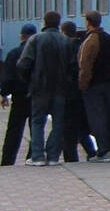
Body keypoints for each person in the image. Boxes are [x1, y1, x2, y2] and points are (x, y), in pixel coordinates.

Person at [17, 10, 77, 166]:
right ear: (58, 23)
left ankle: (37, 156)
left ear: (44, 22)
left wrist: (29, 80)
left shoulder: (35, 40)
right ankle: (53, 156)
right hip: (60, 89)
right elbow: (74, 67)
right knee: (58, 123)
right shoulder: (66, 42)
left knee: (37, 121)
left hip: (39, 88)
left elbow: (23, 64)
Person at [78, 10, 110, 161]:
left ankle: (104, 151)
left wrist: (83, 85)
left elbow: (85, 66)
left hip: (94, 85)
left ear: (88, 22)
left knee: (97, 117)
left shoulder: (90, 41)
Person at [59, 20, 97, 162]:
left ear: (63, 32)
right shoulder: (83, 44)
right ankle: (91, 152)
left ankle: (71, 158)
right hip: (82, 92)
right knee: (82, 127)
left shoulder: (64, 47)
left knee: (68, 129)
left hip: (69, 93)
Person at [1, 23, 37, 165]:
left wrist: (4, 94)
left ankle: (7, 161)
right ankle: (33, 156)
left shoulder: (14, 53)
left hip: (19, 97)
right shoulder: (38, 53)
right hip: (36, 96)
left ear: (21, 36)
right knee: (36, 129)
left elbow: (7, 77)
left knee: (14, 131)